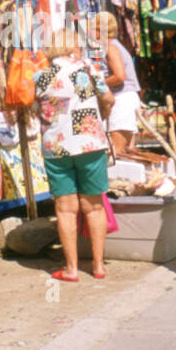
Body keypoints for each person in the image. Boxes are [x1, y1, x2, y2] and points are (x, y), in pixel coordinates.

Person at [34, 29, 114, 282]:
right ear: (72, 47)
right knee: (94, 207)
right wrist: (100, 113)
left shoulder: (41, 75)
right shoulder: (89, 70)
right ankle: (98, 265)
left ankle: (71, 268)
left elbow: (34, 106)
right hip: (89, 142)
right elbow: (108, 98)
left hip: (56, 146)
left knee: (66, 209)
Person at [92, 11, 141, 155]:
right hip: (126, 99)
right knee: (126, 153)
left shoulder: (110, 47)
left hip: (122, 100)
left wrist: (96, 84)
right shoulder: (114, 45)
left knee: (116, 152)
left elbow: (119, 76)